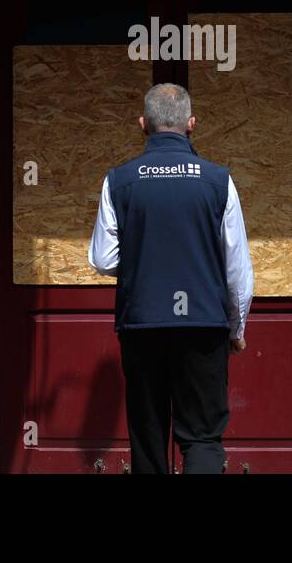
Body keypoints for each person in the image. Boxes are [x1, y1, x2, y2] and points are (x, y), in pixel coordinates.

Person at [88, 83, 254, 474]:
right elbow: (238, 271)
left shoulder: (118, 180)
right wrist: (236, 327)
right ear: (192, 123)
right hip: (203, 323)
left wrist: (143, 260)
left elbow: (102, 258)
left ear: (142, 123)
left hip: (142, 322)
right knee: (202, 436)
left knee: (148, 436)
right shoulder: (219, 181)